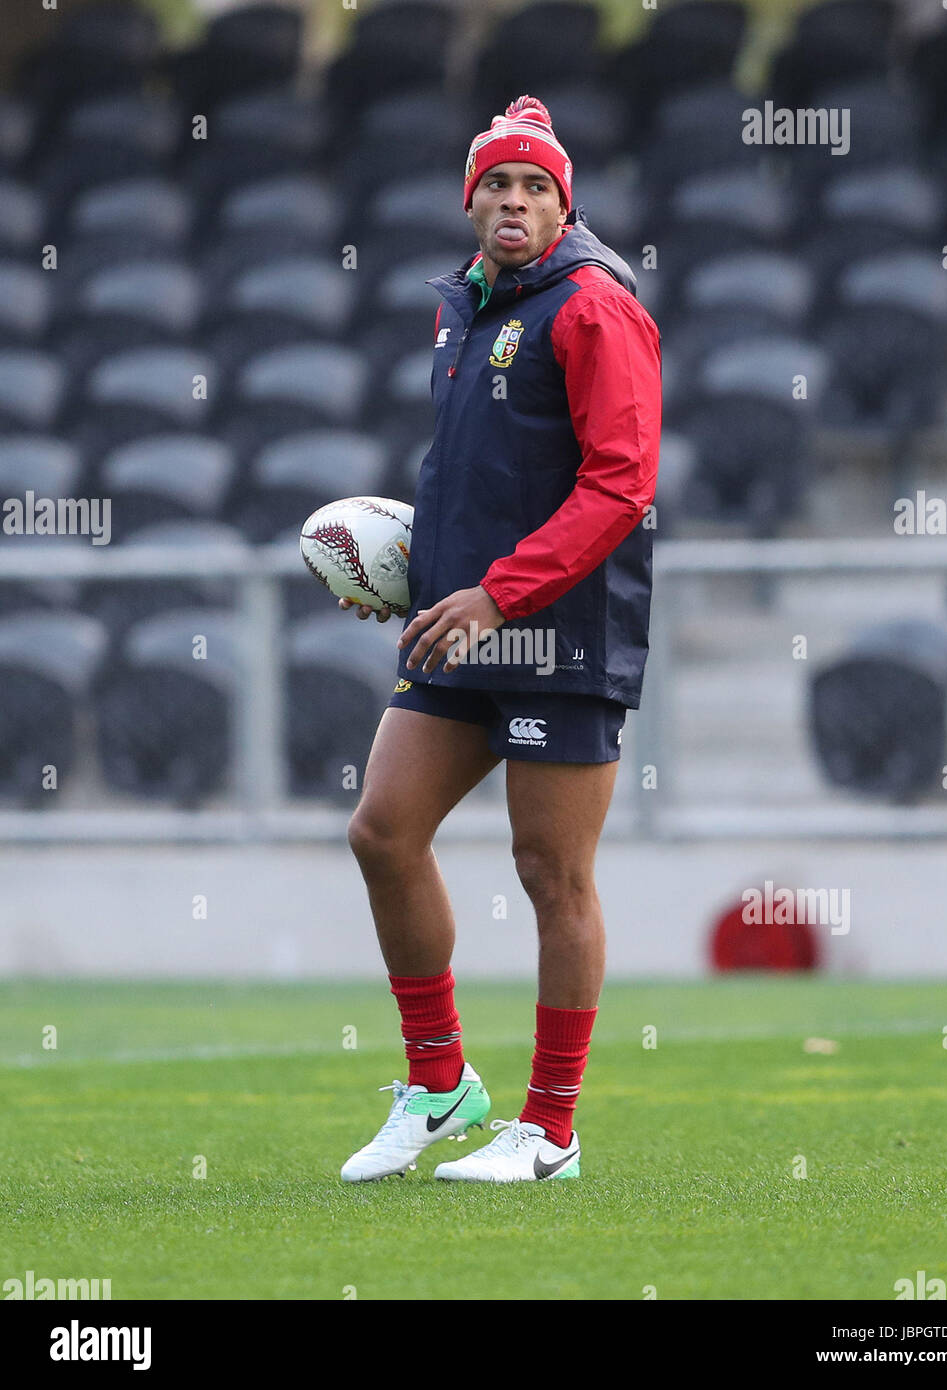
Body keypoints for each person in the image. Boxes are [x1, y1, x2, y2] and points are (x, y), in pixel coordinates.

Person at [339, 95, 662, 1183]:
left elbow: (619, 485)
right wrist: (415, 584)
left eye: (532, 185)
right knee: (382, 830)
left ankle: (550, 1130)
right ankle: (439, 1089)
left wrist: (496, 595)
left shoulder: (590, 307)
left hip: (560, 631)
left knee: (548, 872)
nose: (511, 200)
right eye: (495, 184)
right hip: (469, 623)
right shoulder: (466, 308)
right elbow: (476, 483)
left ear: (560, 203)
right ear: (469, 199)